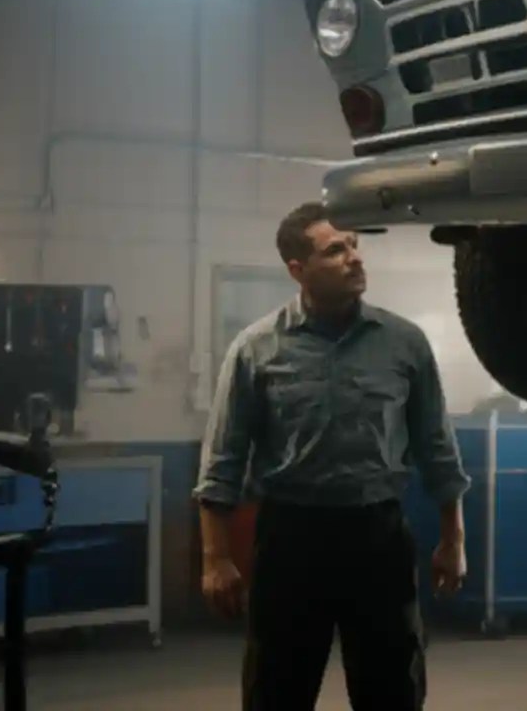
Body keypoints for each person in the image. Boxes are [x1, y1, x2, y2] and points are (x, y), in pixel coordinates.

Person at [193, 201, 471, 711]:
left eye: (355, 246)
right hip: (291, 540)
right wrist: (216, 558)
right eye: (336, 250)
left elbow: (438, 450)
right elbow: (222, 462)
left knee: (393, 691)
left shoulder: (404, 344)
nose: (355, 258)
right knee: (276, 691)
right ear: (297, 270)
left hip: (378, 538)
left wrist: (453, 539)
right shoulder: (256, 349)